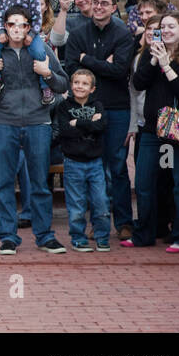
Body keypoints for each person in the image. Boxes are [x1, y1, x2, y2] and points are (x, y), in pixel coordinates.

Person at [0, 7, 69, 255]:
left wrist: (48, 73)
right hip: (4, 122)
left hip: (37, 121)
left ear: (29, 27)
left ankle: (44, 236)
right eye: (11, 24)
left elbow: (63, 83)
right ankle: (8, 237)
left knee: (39, 182)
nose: (16, 29)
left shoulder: (42, 51)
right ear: (5, 27)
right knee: (4, 182)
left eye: (22, 24)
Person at [125, 14, 179, 252]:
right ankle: (144, 234)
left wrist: (166, 66)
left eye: (172, 26)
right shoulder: (151, 54)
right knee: (144, 182)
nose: (166, 30)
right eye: (162, 27)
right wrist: (153, 60)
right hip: (152, 128)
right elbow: (138, 84)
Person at [64, 0, 136, 240]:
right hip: (87, 107)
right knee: (95, 167)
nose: (99, 7)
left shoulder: (123, 34)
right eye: (95, 2)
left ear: (114, 7)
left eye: (105, 3)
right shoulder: (78, 33)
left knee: (116, 166)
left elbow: (119, 70)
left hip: (116, 108)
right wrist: (102, 62)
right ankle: (98, 220)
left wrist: (89, 60)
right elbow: (73, 68)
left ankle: (124, 221)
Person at [52, 69, 111, 251]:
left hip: (95, 163)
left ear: (92, 88)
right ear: (71, 85)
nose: (80, 86)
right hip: (73, 162)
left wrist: (77, 123)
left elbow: (101, 127)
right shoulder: (64, 107)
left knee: (100, 201)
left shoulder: (98, 106)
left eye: (85, 84)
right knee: (76, 204)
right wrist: (90, 125)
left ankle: (102, 236)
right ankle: (78, 238)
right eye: (76, 83)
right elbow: (64, 131)